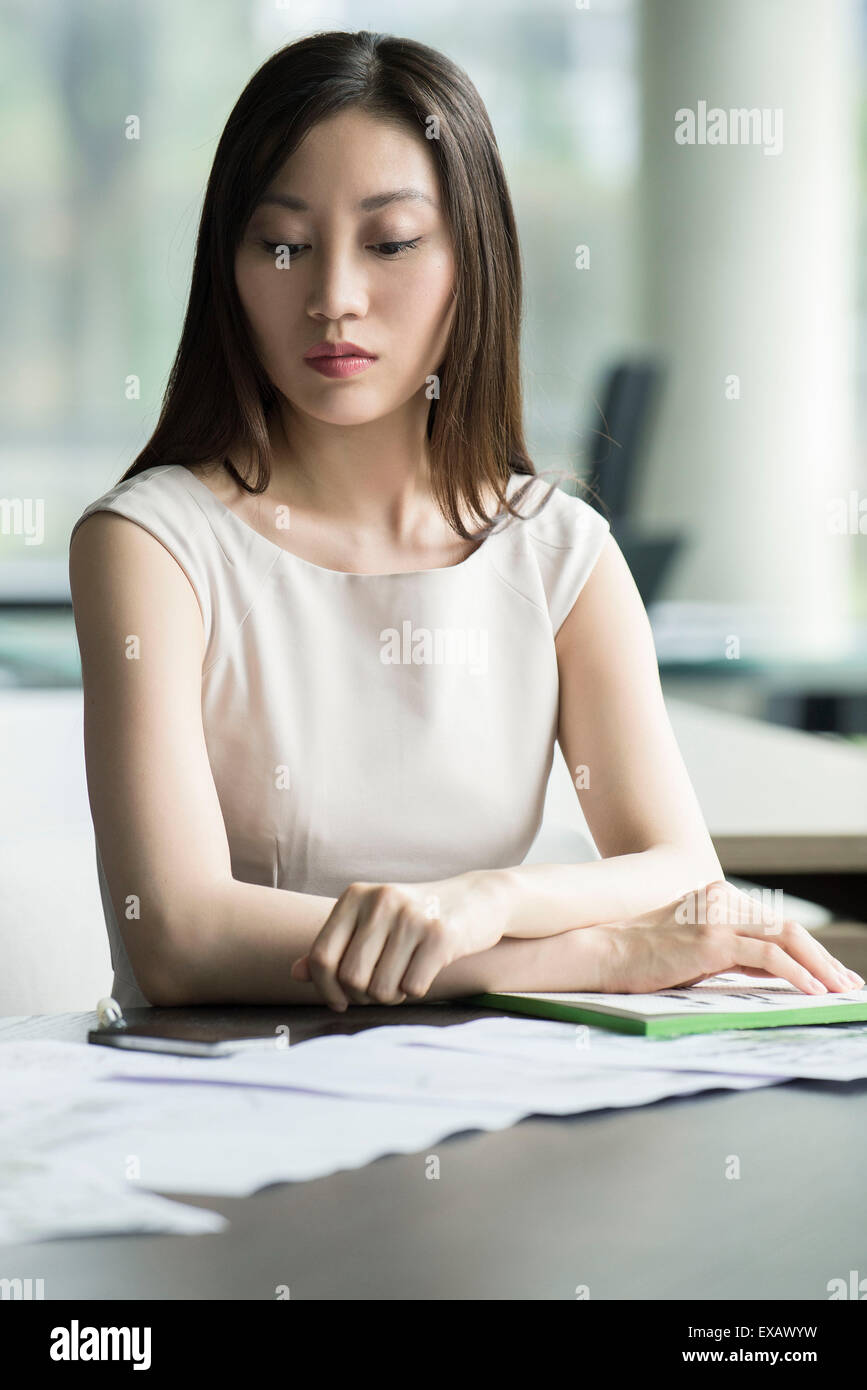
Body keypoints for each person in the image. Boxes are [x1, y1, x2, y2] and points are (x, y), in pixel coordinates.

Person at [68, 30, 861, 1011]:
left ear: (471, 257)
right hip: (220, 1106)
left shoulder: (558, 552)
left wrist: (488, 899)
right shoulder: (151, 547)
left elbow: (680, 871)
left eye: (391, 242)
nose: (334, 299)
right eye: (284, 245)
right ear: (228, 266)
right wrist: (570, 955)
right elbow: (179, 939)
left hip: (480, 1106)